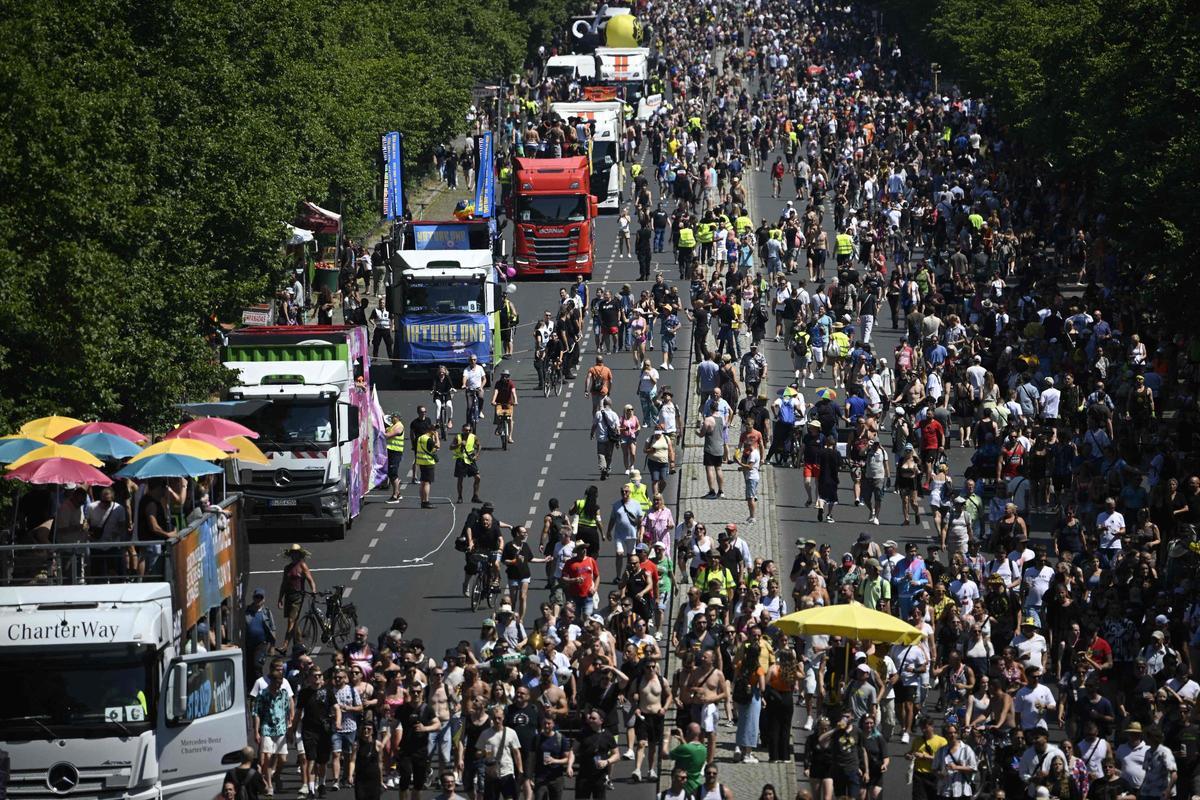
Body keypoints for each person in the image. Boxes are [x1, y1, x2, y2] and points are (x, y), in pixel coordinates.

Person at [574, 708, 619, 800]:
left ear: (601, 721)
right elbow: (573, 750)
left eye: (593, 718)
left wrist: (607, 761)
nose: (590, 720)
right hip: (583, 775)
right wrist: (570, 765)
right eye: (590, 717)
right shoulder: (583, 733)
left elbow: (617, 755)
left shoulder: (608, 735)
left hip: (599, 776)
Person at [278, 544, 315, 652]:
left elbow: (310, 579)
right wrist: (280, 598)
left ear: (299, 555)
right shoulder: (287, 568)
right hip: (288, 596)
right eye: (293, 554)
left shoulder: (302, 565)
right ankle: (299, 645)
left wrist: (313, 590)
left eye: (296, 554)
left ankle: (285, 645)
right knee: (295, 622)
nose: (294, 556)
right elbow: (283, 584)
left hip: (298, 597)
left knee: (291, 620)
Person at [451, 422, 481, 505]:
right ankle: (460, 497)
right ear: (462, 430)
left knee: (477, 477)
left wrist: (477, 455)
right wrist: (459, 444)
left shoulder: (473, 437)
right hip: (461, 460)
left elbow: (479, 445)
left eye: (469, 430)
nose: (467, 432)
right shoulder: (458, 437)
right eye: (465, 430)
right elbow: (451, 447)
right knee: (460, 479)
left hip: (470, 459)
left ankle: (475, 496)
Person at [414, 423, 439, 509]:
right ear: (431, 430)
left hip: (421, 462)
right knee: (427, 483)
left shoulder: (421, 438)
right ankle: (426, 501)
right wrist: (437, 437)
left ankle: (422, 501)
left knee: (423, 482)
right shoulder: (429, 440)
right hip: (428, 463)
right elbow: (437, 446)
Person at [491, 368, 518, 444]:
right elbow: (496, 392)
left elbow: (513, 393)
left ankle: (510, 436)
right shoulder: (498, 383)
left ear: (508, 377)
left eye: (506, 376)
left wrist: (515, 401)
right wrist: (493, 401)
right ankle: (499, 426)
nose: (504, 378)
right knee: (498, 414)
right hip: (499, 402)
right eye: (503, 376)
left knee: (510, 419)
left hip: (509, 403)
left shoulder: (511, 383)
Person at [385, 414, 406, 503]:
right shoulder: (392, 426)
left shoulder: (399, 426)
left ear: (397, 418)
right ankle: (398, 493)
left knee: (393, 473)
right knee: (390, 473)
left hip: (396, 452)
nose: (391, 419)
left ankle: (395, 495)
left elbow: (388, 435)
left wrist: (378, 431)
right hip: (390, 451)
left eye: (393, 417)